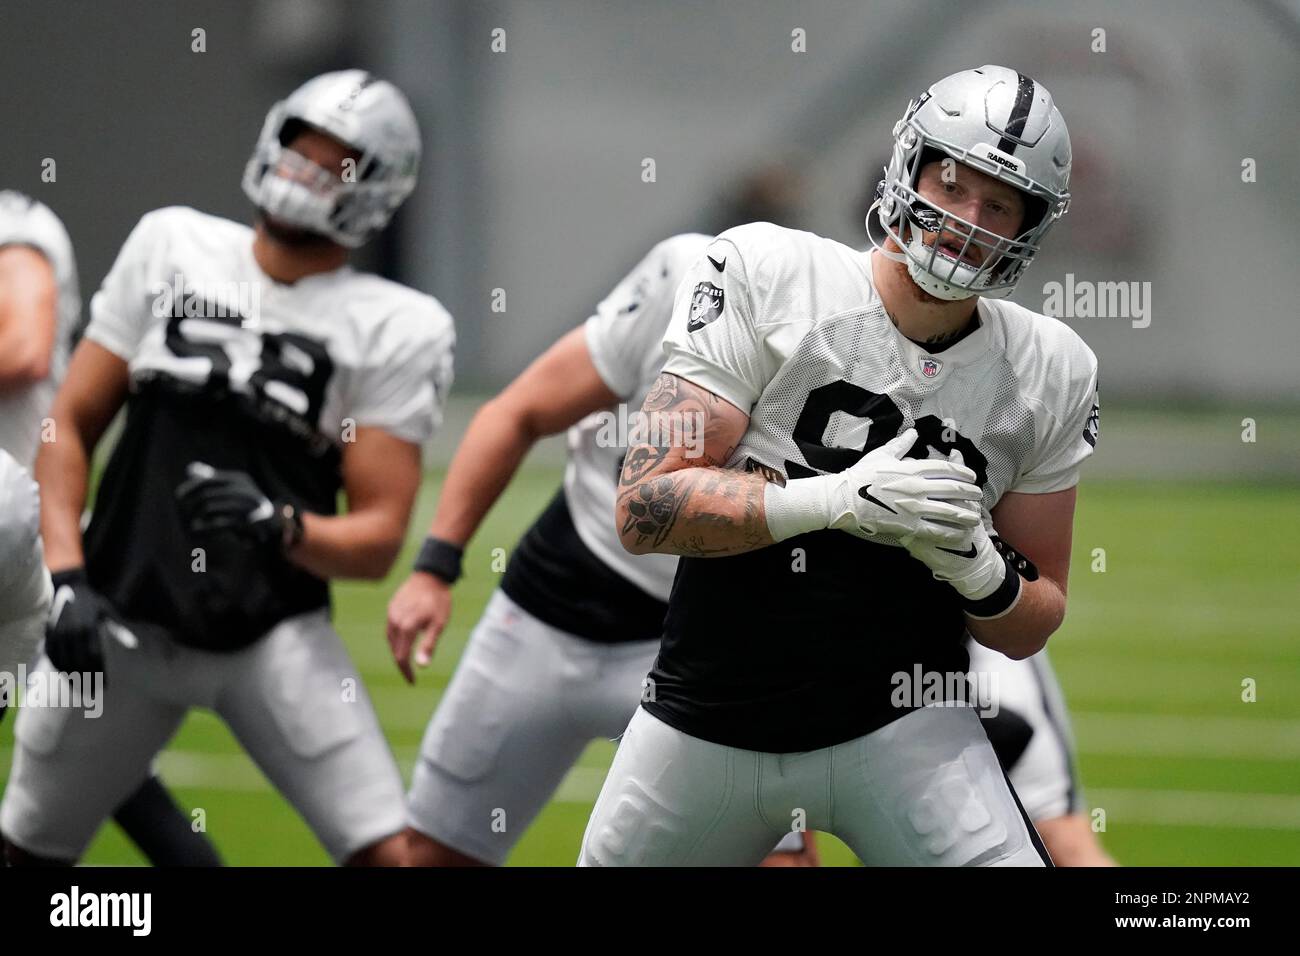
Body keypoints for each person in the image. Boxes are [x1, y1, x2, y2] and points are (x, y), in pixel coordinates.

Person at [581, 65, 1098, 866]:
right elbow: (645, 504)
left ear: (1029, 229)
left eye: (999, 205)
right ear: (908, 165)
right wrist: (830, 502)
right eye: (953, 184)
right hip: (708, 720)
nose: (967, 220)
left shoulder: (1048, 366)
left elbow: (1036, 621)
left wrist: (978, 568)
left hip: (908, 730)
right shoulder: (766, 270)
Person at [0, 70, 454, 866]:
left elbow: (381, 537)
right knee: (29, 851)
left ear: (375, 189)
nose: (303, 172)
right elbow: (67, 421)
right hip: (119, 623)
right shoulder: (171, 243)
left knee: (393, 857)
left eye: (334, 162)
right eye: (298, 148)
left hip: (271, 639)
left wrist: (282, 525)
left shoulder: (396, 325)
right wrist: (66, 577)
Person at [389, 232, 817, 866]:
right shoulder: (694, 282)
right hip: (554, 608)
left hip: (711, 647)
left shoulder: (847, 351)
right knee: (433, 854)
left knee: (779, 862)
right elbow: (518, 411)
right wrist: (434, 567)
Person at [0, 190, 221, 865]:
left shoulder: (17, 226)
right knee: (108, 774)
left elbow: (27, 349)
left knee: (106, 772)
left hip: (26, 552)